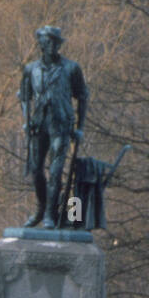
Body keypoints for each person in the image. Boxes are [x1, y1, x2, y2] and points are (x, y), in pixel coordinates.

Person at [18, 25, 88, 229]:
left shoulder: (71, 68)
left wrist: (80, 126)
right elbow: (24, 96)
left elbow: (83, 96)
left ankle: (50, 214)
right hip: (39, 124)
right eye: (47, 41)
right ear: (40, 44)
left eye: (55, 42)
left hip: (61, 124)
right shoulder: (31, 69)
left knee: (56, 171)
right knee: (36, 170)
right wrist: (26, 118)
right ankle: (41, 208)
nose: (51, 45)